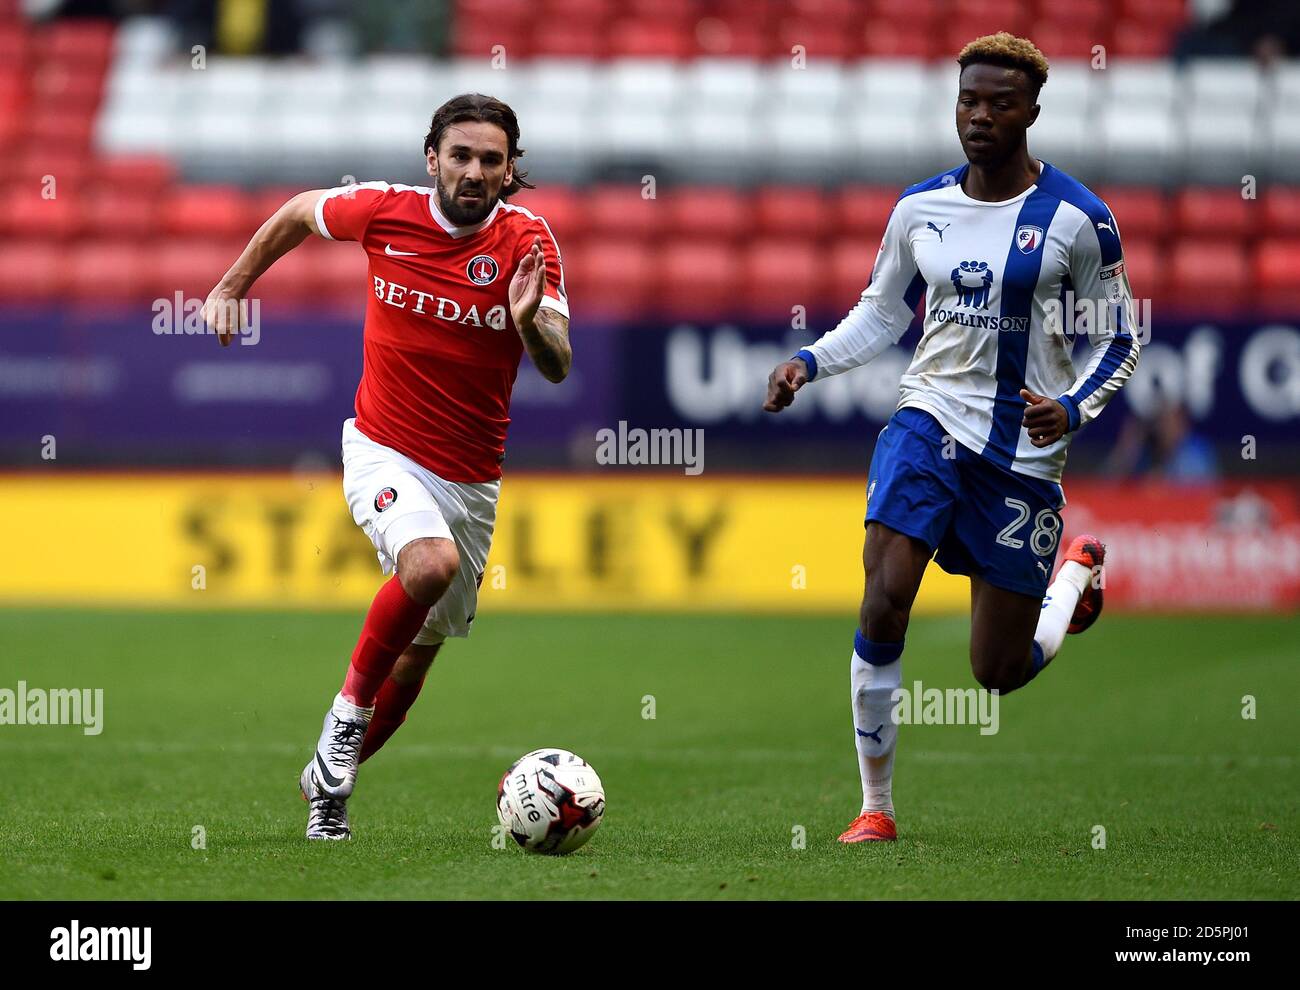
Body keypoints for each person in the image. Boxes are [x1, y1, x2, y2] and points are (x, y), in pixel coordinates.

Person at [763, 33, 1140, 843]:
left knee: (995, 672)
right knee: (885, 592)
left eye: (1000, 103)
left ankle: (1072, 582)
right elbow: (882, 311)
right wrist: (809, 362)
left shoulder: (1080, 220)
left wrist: (1071, 407)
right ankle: (877, 807)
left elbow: (1119, 339)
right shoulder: (919, 208)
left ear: (1032, 111)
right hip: (927, 420)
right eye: (969, 99)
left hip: (1023, 454)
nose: (979, 116)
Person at [202, 94, 571, 839]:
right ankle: (344, 717)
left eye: (491, 161)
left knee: (416, 659)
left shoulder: (528, 242)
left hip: (470, 479)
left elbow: (559, 366)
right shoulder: (381, 210)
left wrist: (530, 323)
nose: (474, 171)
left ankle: (327, 789)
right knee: (426, 565)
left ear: (510, 171)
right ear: (431, 157)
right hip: (381, 446)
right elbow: (301, 211)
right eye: (461, 155)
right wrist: (233, 284)